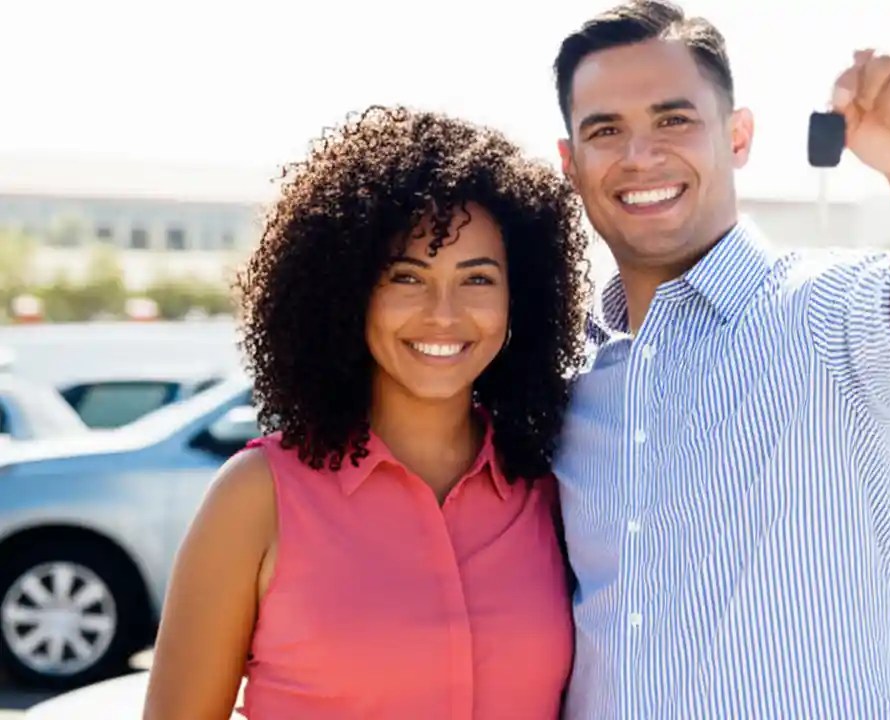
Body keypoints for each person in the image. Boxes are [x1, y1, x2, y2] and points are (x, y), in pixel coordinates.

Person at [549, 1, 890, 717]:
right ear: (571, 163)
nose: (640, 156)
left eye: (674, 120)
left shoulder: (824, 308)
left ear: (738, 136)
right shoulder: (572, 377)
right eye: (606, 130)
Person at [142, 106, 590, 719]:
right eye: (407, 277)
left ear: (522, 297)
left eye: (478, 279)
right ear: (349, 291)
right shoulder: (256, 497)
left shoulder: (550, 490)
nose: (443, 313)